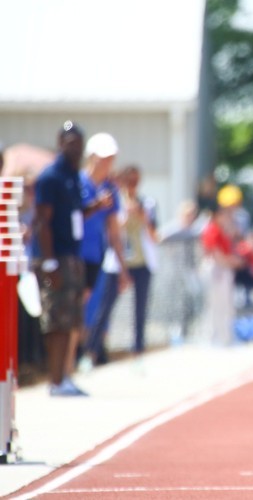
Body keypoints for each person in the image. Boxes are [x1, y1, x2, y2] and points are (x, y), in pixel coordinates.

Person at [31, 121, 111, 396]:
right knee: (57, 320)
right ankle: (54, 380)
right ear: (60, 143)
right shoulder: (50, 177)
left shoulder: (74, 177)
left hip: (72, 255)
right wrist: (50, 262)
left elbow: (74, 214)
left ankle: (64, 376)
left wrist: (95, 207)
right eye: (69, 143)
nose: (74, 148)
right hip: (56, 258)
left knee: (71, 321)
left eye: (78, 143)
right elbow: (43, 221)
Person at [85, 165, 159, 364]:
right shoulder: (115, 201)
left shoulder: (147, 203)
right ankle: (90, 352)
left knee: (140, 308)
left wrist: (143, 217)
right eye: (129, 179)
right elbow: (112, 230)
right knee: (105, 307)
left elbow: (154, 236)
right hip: (118, 263)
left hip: (141, 262)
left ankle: (138, 351)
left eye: (136, 180)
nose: (132, 184)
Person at [77, 133, 128, 370]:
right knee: (75, 305)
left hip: (96, 255)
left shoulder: (110, 189)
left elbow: (114, 231)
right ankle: (73, 357)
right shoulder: (77, 182)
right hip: (73, 253)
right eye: (103, 158)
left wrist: (123, 268)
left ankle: (85, 353)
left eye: (111, 159)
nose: (108, 163)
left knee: (91, 304)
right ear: (92, 157)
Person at [199, 185, 246, 346]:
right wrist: (231, 262)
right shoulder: (212, 228)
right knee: (214, 305)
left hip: (223, 268)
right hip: (217, 268)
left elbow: (233, 242)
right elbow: (214, 253)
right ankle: (212, 338)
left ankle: (225, 338)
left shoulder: (221, 229)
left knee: (225, 305)